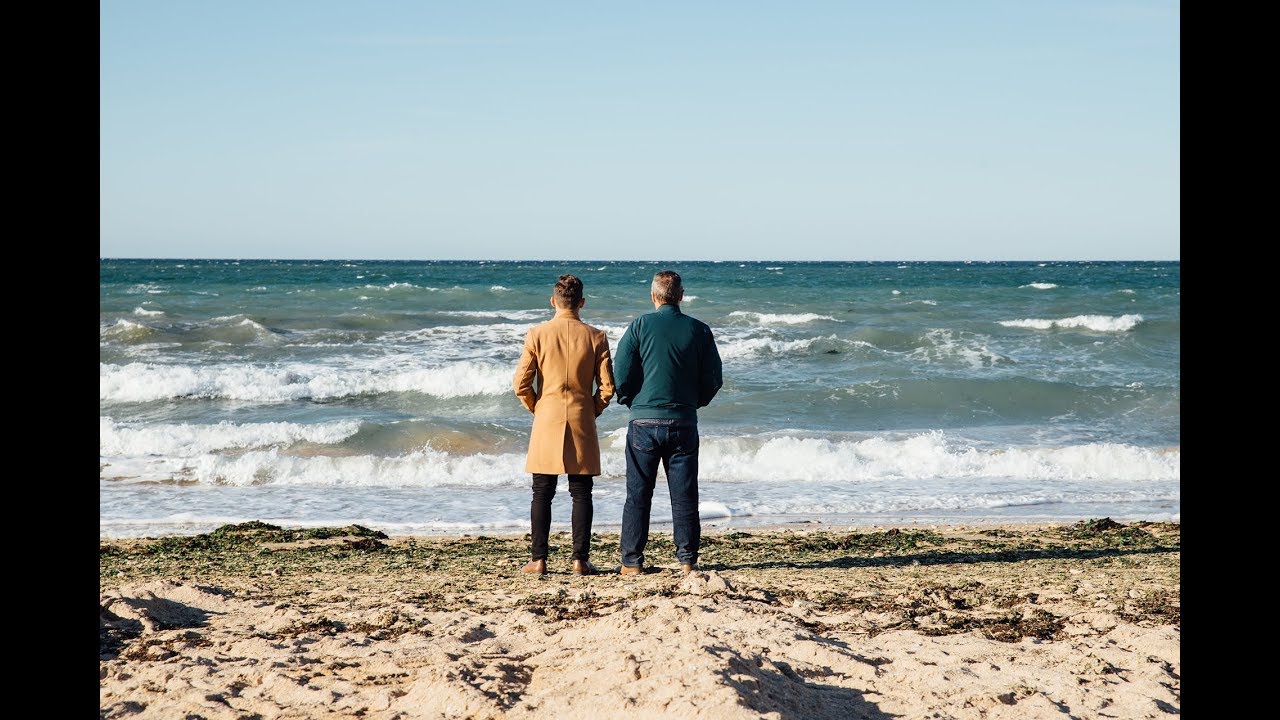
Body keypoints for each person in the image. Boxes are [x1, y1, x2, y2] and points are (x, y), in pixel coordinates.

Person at [614, 270, 723, 575]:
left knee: (638, 494)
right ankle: (687, 560)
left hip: (643, 422)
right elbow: (714, 378)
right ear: (681, 296)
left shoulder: (639, 325)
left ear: (653, 296)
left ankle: (632, 561)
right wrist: (694, 402)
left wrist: (630, 400)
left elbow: (620, 372)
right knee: (685, 495)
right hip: (683, 421)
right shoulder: (699, 330)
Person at [513, 274, 615, 576]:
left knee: (542, 492)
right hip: (581, 416)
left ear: (553, 301)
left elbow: (521, 384)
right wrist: (592, 410)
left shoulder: (537, 334)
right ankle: (580, 561)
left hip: (547, 416)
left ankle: (539, 560)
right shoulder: (596, 336)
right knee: (581, 492)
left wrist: (537, 407)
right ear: (581, 302)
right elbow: (607, 387)